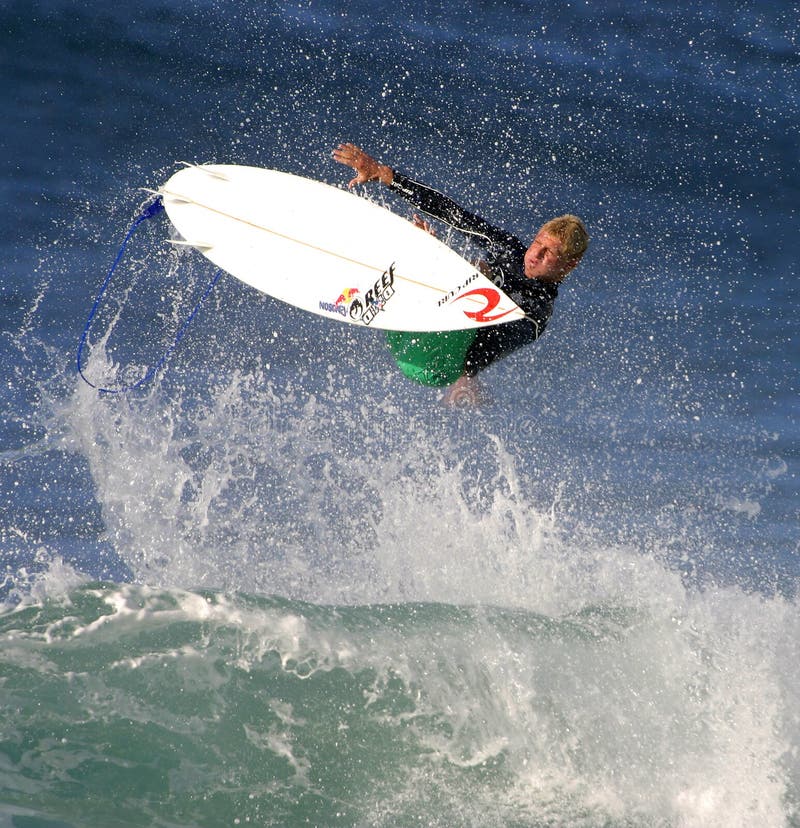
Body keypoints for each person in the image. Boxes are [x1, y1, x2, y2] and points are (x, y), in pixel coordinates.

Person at [332, 142, 589, 404]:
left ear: (568, 265)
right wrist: (383, 173)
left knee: (477, 277)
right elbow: (453, 214)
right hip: (409, 328)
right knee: (433, 250)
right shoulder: (509, 250)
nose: (535, 254)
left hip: (436, 363)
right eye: (537, 243)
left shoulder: (536, 311)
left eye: (548, 253)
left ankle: (429, 263)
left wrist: (466, 377)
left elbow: (486, 348)